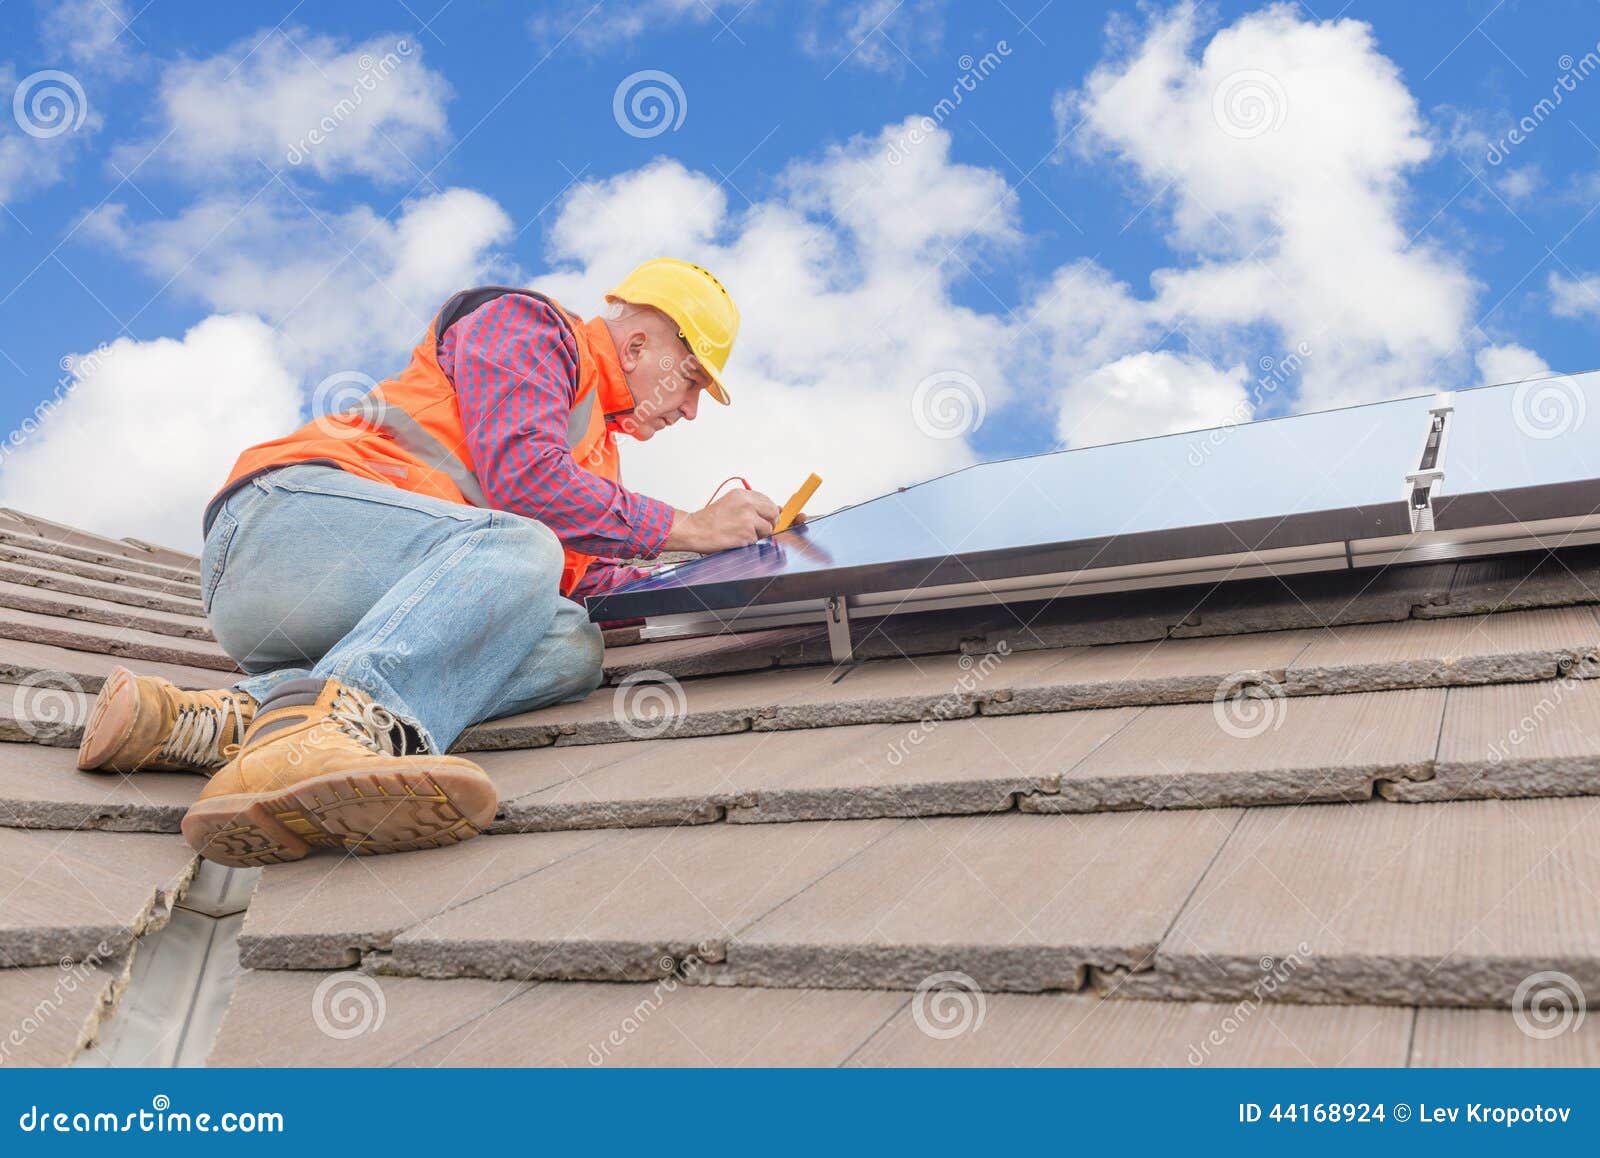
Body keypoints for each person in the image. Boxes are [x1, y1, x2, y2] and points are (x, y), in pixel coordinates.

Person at [75, 258, 780, 869]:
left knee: (572, 645)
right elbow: (526, 482)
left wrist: (741, 569)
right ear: (636, 344)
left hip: (346, 605)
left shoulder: (595, 453)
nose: (690, 410)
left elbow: (582, 589)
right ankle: (335, 729)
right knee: (522, 542)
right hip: (278, 530)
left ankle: (221, 720)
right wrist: (688, 527)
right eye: (690, 381)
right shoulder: (530, 327)